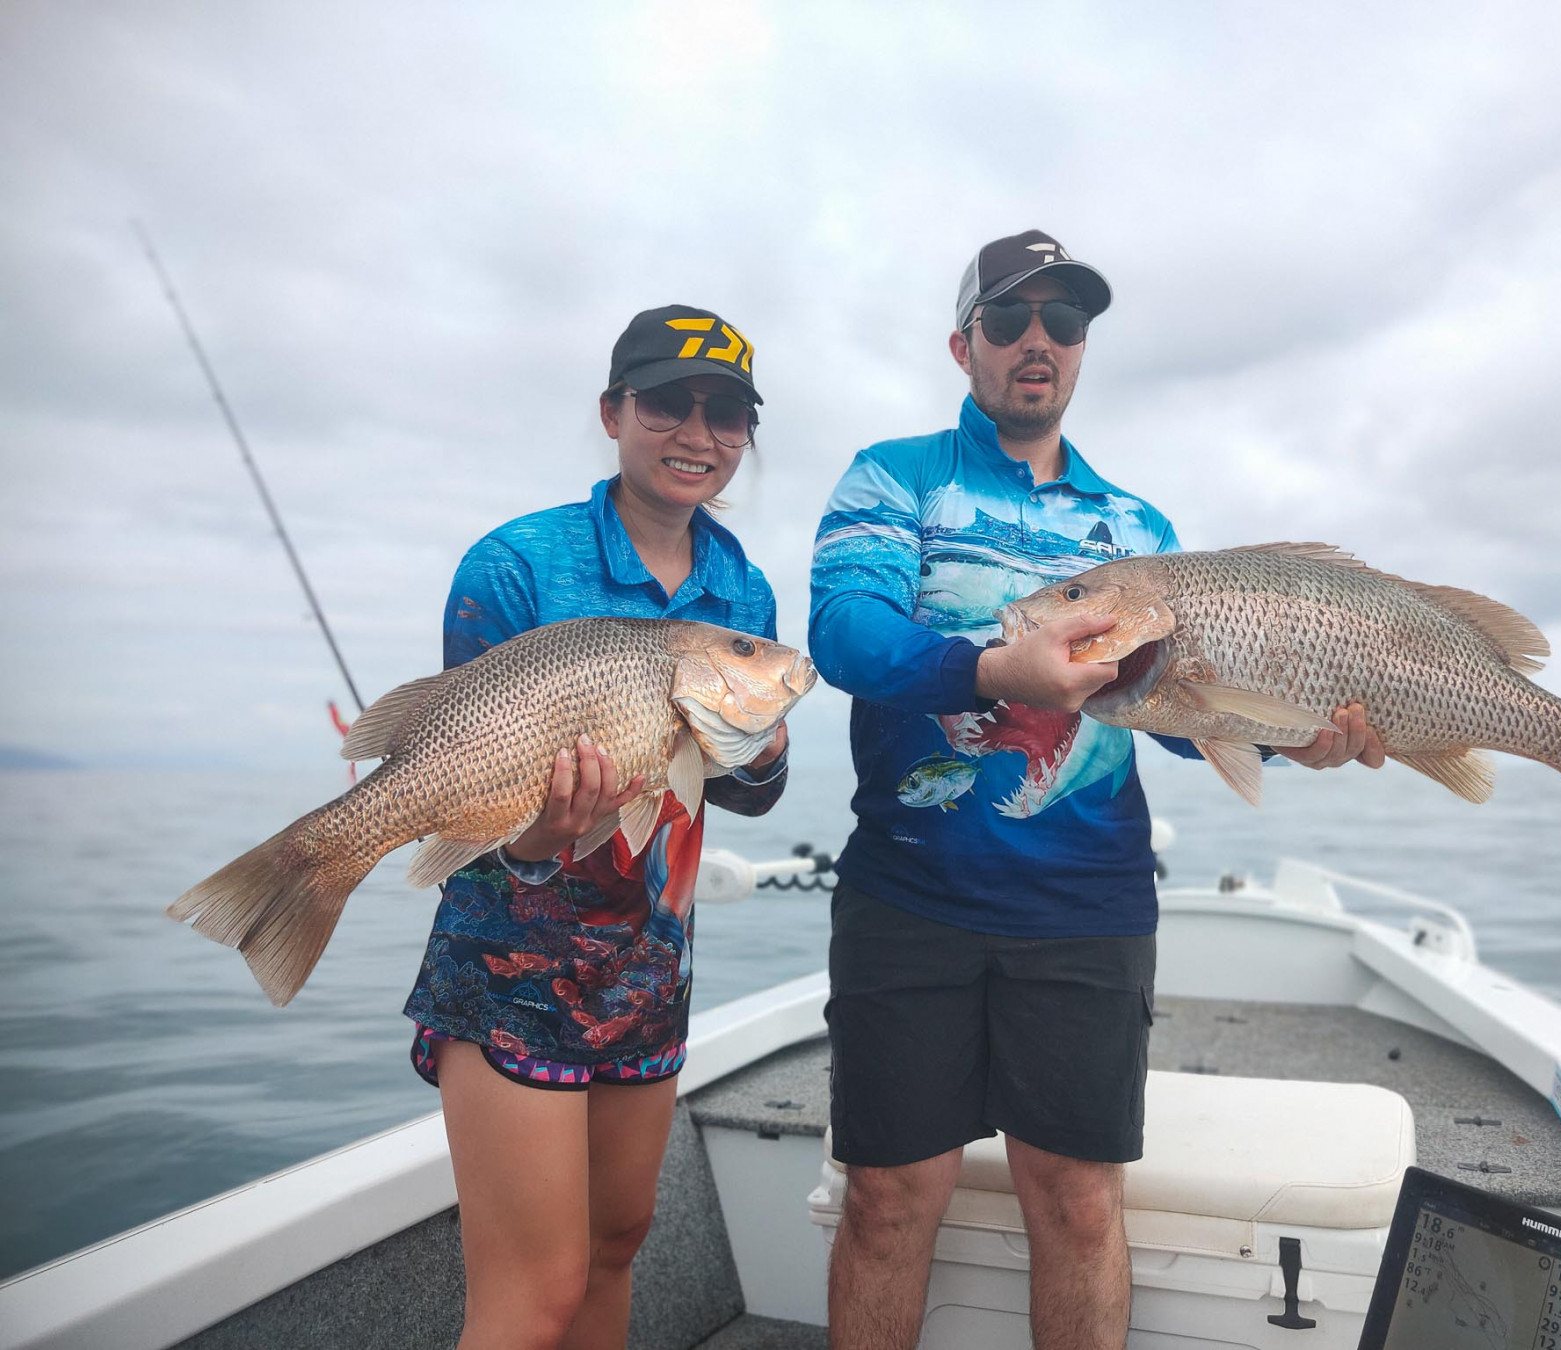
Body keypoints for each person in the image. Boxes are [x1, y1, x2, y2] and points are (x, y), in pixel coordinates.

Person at [808, 231, 1385, 1350]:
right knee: (885, 1201)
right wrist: (994, 672)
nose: (1039, 341)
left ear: (1080, 349)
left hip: (1087, 909)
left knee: (1077, 1203)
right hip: (908, 900)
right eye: (1010, 319)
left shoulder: (1141, 531)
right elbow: (847, 634)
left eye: (1064, 323)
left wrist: (1294, 740)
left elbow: (1183, 719)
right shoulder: (893, 477)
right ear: (963, 344)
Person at [402, 304, 789, 1350]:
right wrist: (536, 840)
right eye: (667, 403)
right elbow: (464, 776)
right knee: (536, 1294)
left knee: (618, 1244)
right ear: (613, 412)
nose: (697, 434)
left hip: (650, 971)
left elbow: (740, 790)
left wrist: (761, 749)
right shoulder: (516, 564)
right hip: (510, 971)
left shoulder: (740, 586)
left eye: (726, 414)